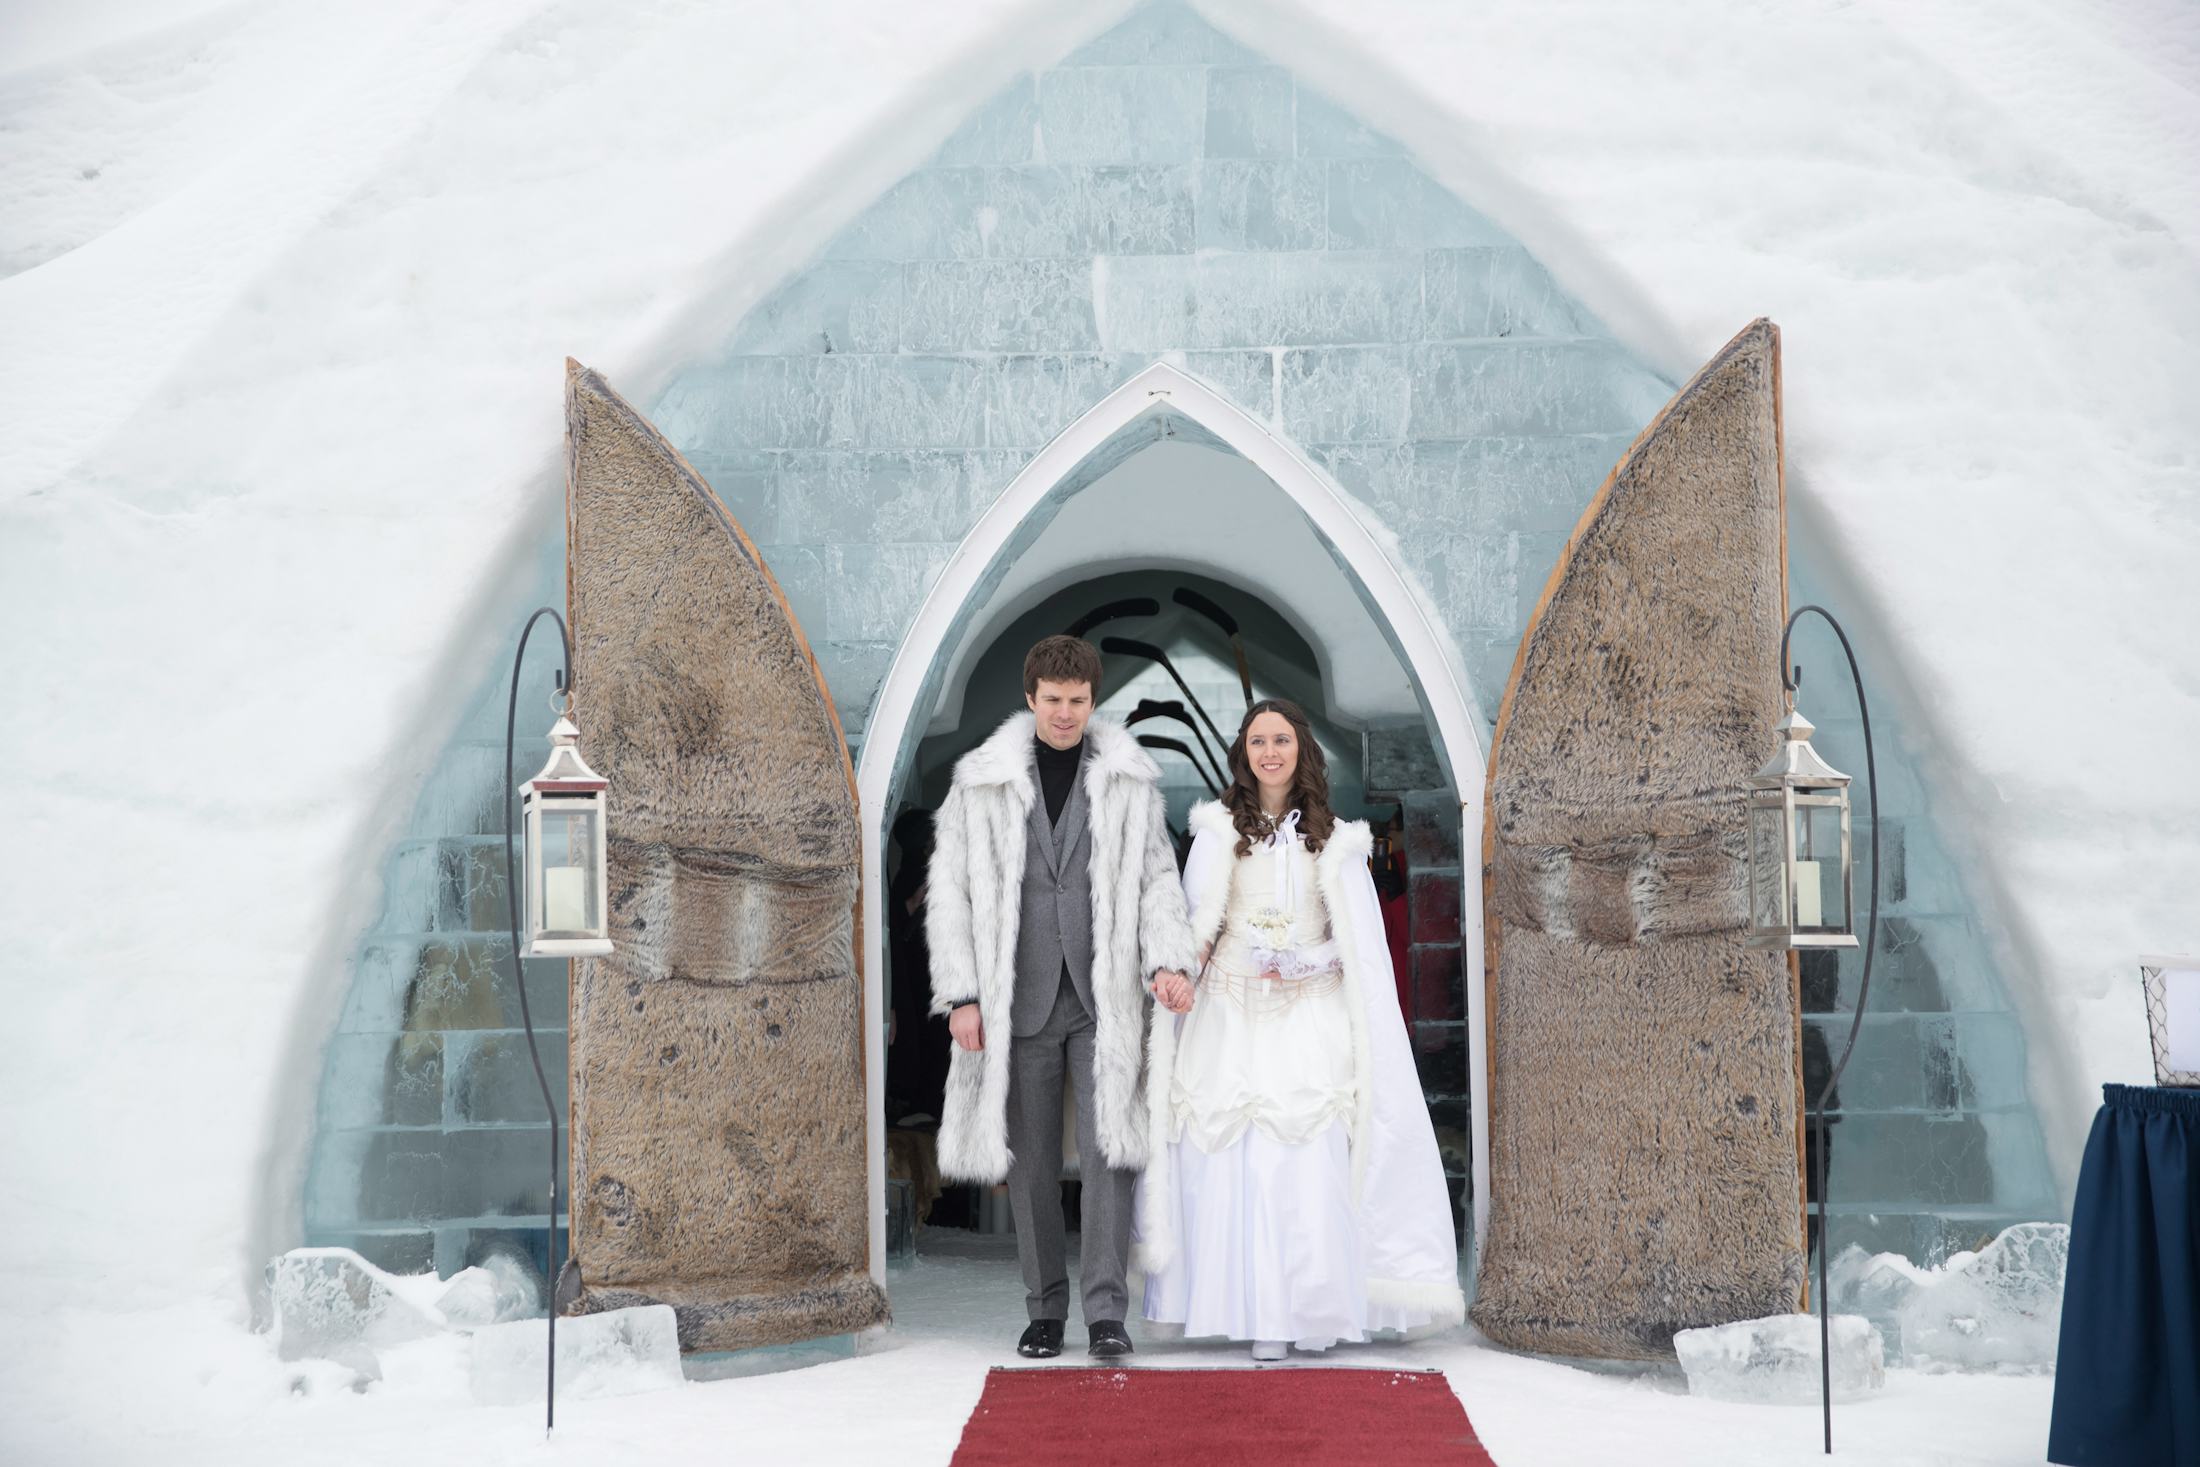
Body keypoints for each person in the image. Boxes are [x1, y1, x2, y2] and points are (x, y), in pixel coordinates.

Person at [1138, 699, 1464, 1361]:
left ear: (1300, 748)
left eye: (1280, 739)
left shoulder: (1337, 838)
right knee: (1234, 1156)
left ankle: (1300, 1308)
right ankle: (1244, 1306)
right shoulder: (1214, 830)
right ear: (1244, 753)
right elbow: (1200, 925)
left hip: (1310, 1013)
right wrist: (1182, 974)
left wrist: (1306, 960)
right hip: (1230, 1012)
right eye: (1257, 740)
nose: (1269, 751)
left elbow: (1357, 945)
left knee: (1302, 1161)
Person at [926, 634, 1195, 1359]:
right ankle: (1044, 1309)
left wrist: (1169, 959)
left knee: (1117, 1149)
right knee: (1031, 1156)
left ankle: (1107, 1312)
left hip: (1105, 994)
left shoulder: (1128, 780)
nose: (1066, 712)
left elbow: (1157, 879)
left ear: (1092, 701)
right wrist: (961, 994)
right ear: (1030, 697)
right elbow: (947, 893)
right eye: (1054, 699)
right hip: (1017, 997)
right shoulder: (979, 782)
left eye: (1078, 701)